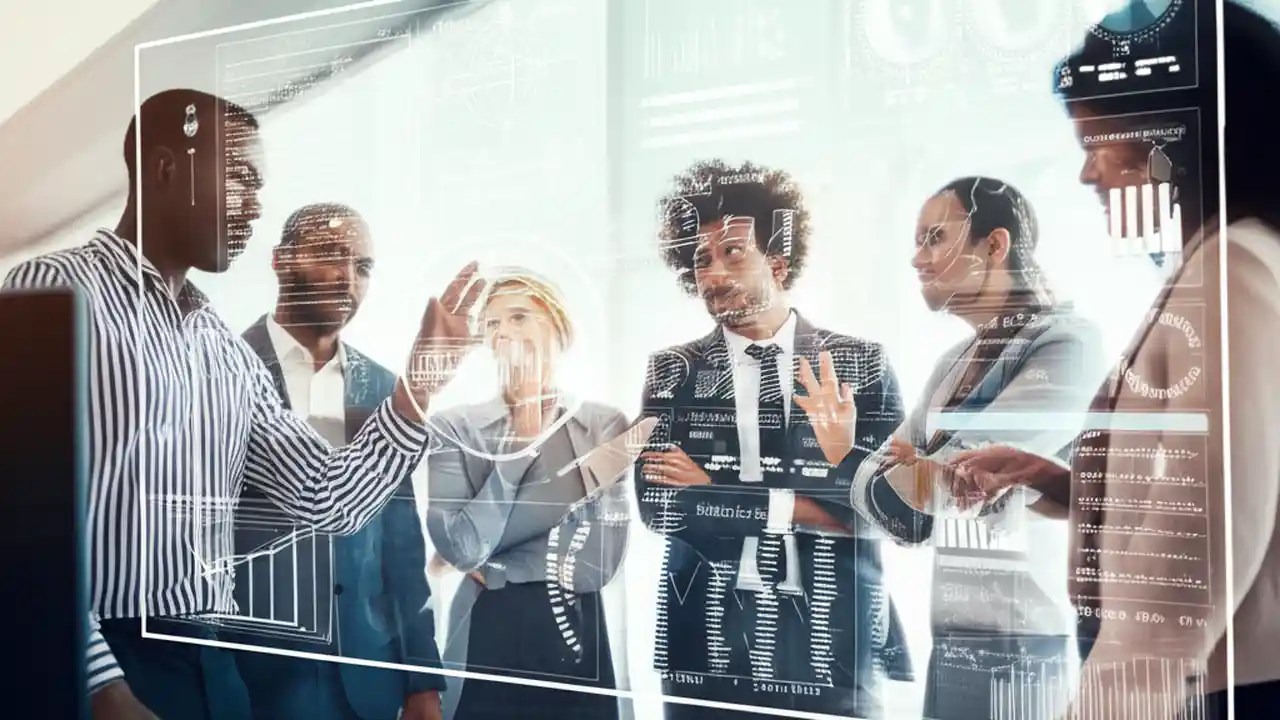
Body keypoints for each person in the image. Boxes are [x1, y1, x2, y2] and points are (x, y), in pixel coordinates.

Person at [1, 88, 484, 720]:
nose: (256, 206)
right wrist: (101, 687)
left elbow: (327, 497)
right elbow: (15, 523)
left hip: (216, 673)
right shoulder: (52, 288)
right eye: (240, 178)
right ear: (166, 168)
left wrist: (420, 383)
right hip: (107, 666)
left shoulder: (223, 350)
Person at [947, 2, 1280, 716]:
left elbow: (1207, 531)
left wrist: (1105, 706)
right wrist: (1062, 482)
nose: (1087, 176)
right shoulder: (1221, 264)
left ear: (1174, 140)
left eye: (1097, 143)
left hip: (1217, 685)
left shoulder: (1233, 273)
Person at [634, 159, 912, 719]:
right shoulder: (672, 371)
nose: (713, 273)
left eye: (732, 252)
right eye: (701, 259)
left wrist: (718, 488)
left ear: (778, 260)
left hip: (834, 636)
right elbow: (660, 507)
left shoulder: (859, 363)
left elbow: (891, 509)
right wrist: (812, 502)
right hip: (704, 642)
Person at [832, 177, 1106, 719]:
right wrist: (907, 474)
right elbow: (901, 518)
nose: (917, 259)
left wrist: (885, 464)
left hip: (1027, 641)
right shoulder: (952, 362)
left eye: (935, 237)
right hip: (953, 639)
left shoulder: (1068, 344)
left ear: (994, 244)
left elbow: (950, 485)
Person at [227, 203, 446, 720]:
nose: (348, 277)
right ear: (281, 261)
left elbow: (403, 548)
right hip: (256, 680)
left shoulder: (383, 387)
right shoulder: (226, 370)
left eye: (363, 266)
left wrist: (422, 681)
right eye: (331, 254)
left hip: (367, 680)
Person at [425, 267, 632, 720]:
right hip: (488, 626)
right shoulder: (453, 428)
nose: (504, 332)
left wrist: (492, 560)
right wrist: (518, 451)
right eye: (493, 323)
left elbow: (600, 559)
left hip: (578, 629)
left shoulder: (604, 424)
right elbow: (457, 545)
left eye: (518, 316)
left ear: (557, 326)